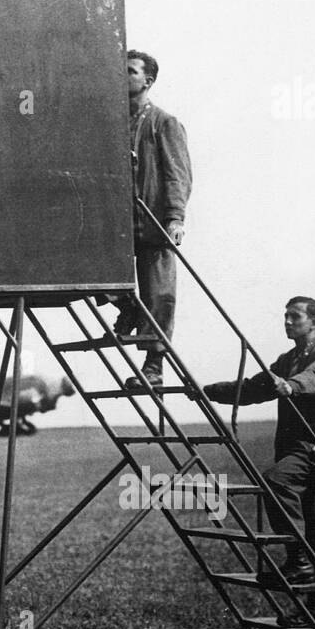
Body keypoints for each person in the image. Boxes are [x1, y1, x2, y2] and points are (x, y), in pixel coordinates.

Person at [202, 297, 315, 625]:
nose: (287, 322)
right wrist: (208, 390)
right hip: (293, 450)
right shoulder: (289, 359)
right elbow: (254, 388)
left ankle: (300, 564)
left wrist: (291, 387)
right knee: (314, 528)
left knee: (275, 482)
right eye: (286, 316)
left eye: (295, 317)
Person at [116, 52, 193, 389]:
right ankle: (128, 305)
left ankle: (153, 365)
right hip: (118, 224)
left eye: (130, 71)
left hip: (153, 222)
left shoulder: (164, 123)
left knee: (160, 295)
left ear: (147, 80)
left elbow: (179, 175)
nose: (123, 76)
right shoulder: (114, 123)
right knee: (94, 273)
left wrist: (175, 218)